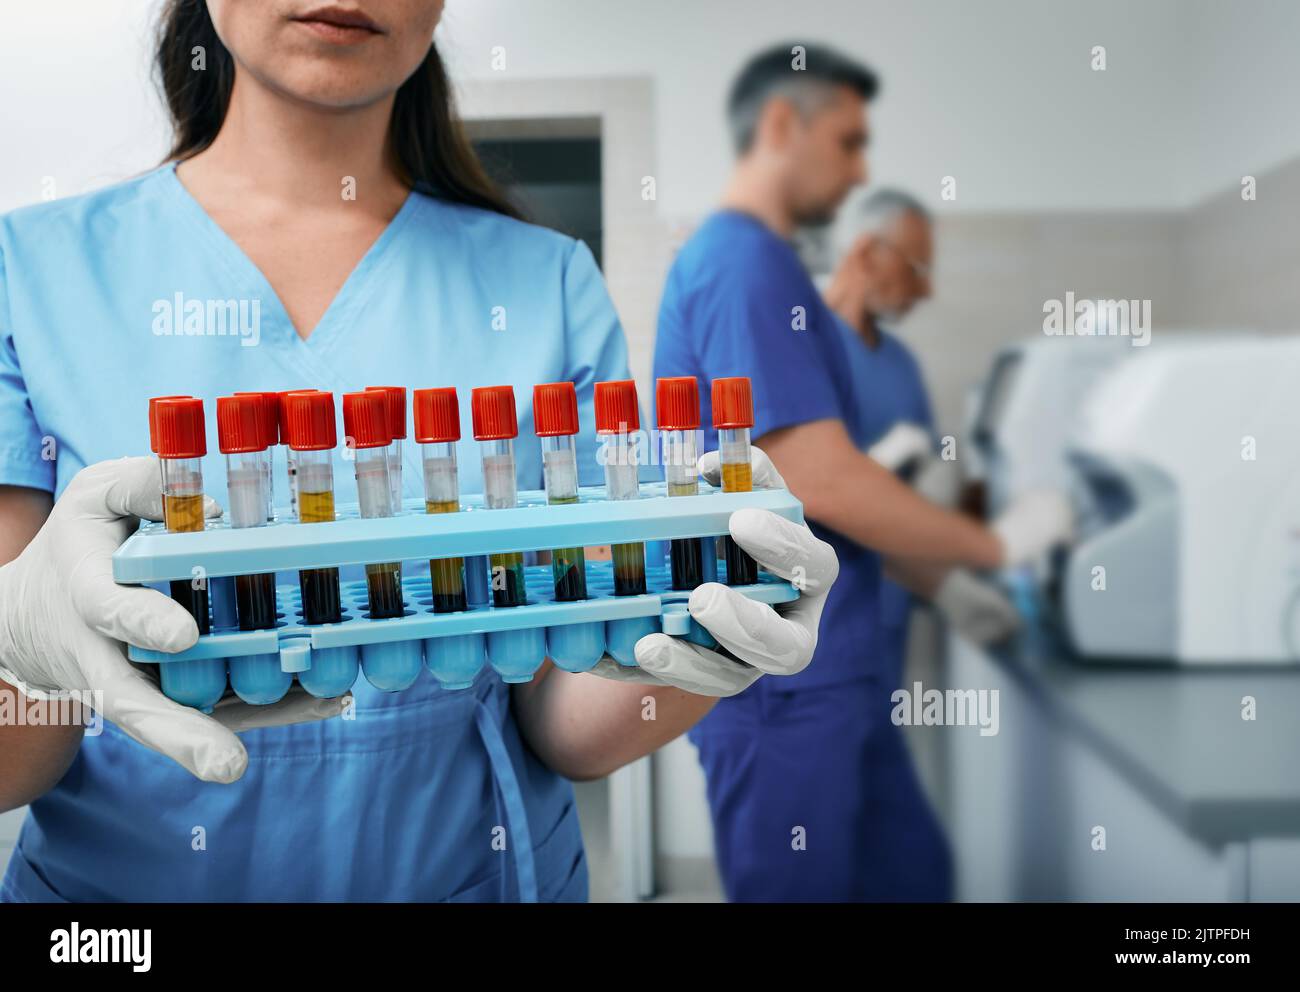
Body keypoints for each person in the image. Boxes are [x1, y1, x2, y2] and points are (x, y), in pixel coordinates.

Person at [0, 0, 838, 903]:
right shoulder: (28, 270)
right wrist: (21, 648)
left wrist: (706, 627)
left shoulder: (546, 280)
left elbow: (565, 719)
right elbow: (16, 761)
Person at [653, 43, 1072, 901]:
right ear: (780, 126)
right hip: (781, 679)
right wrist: (996, 545)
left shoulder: (767, 272)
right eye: (847, 143)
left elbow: (838, 504)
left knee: (913, 873)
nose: (858, 172)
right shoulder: (743, 261)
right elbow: (826, 479)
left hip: (840, 668)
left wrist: (944, 575)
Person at [822, 188, 1020, 672]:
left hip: (891, 618)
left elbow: (924, 492)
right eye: (918, 269)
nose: (927, 291)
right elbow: (812, 499)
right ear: (867, 253)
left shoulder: (901, 364)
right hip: (819, 631)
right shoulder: (804, 351)